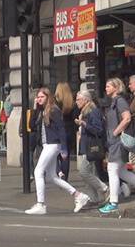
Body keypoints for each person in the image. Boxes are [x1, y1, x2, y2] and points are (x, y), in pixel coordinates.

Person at [24, 87, 94, 215]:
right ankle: (78, 195)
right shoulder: (42, 110)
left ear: (48, 97)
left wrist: (63, 148)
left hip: (53, 144)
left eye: (42, 97)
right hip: (47, 145)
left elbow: (61, 129)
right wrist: (35, 108)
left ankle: (41, 204)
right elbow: (32, 125)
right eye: (38, 97)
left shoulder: (53, 110)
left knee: (38, 171)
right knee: (52, 177)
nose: (39, 99)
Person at [99, 77, 135, 214]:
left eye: (109, 86)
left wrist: (116, 132)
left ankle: (113, 202)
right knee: (122, 172)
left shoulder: (120, 101)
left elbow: (127, 118)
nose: (106, 88)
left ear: (116, 88)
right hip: (115, 141)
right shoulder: (114, 102)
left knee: (112, 170)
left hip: (118, 141)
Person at [75, 89, 109, 205]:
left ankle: (104, 188)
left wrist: (84, 124)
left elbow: (98, 130)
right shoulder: (84, 112)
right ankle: (94, 198)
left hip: (92, 146)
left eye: (78, 99)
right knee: (91, 173)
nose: (76, 102)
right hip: (87, 145)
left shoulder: (93, 112)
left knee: (84, 172)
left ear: (86, 99)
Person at [54, 83, 78, 180]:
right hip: (69, 130)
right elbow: (74, 118)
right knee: (66, 155)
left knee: (56, 153)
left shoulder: (56, 102)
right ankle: (65, 177)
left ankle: (59, 171)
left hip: (58, 130)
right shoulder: (71, 103)